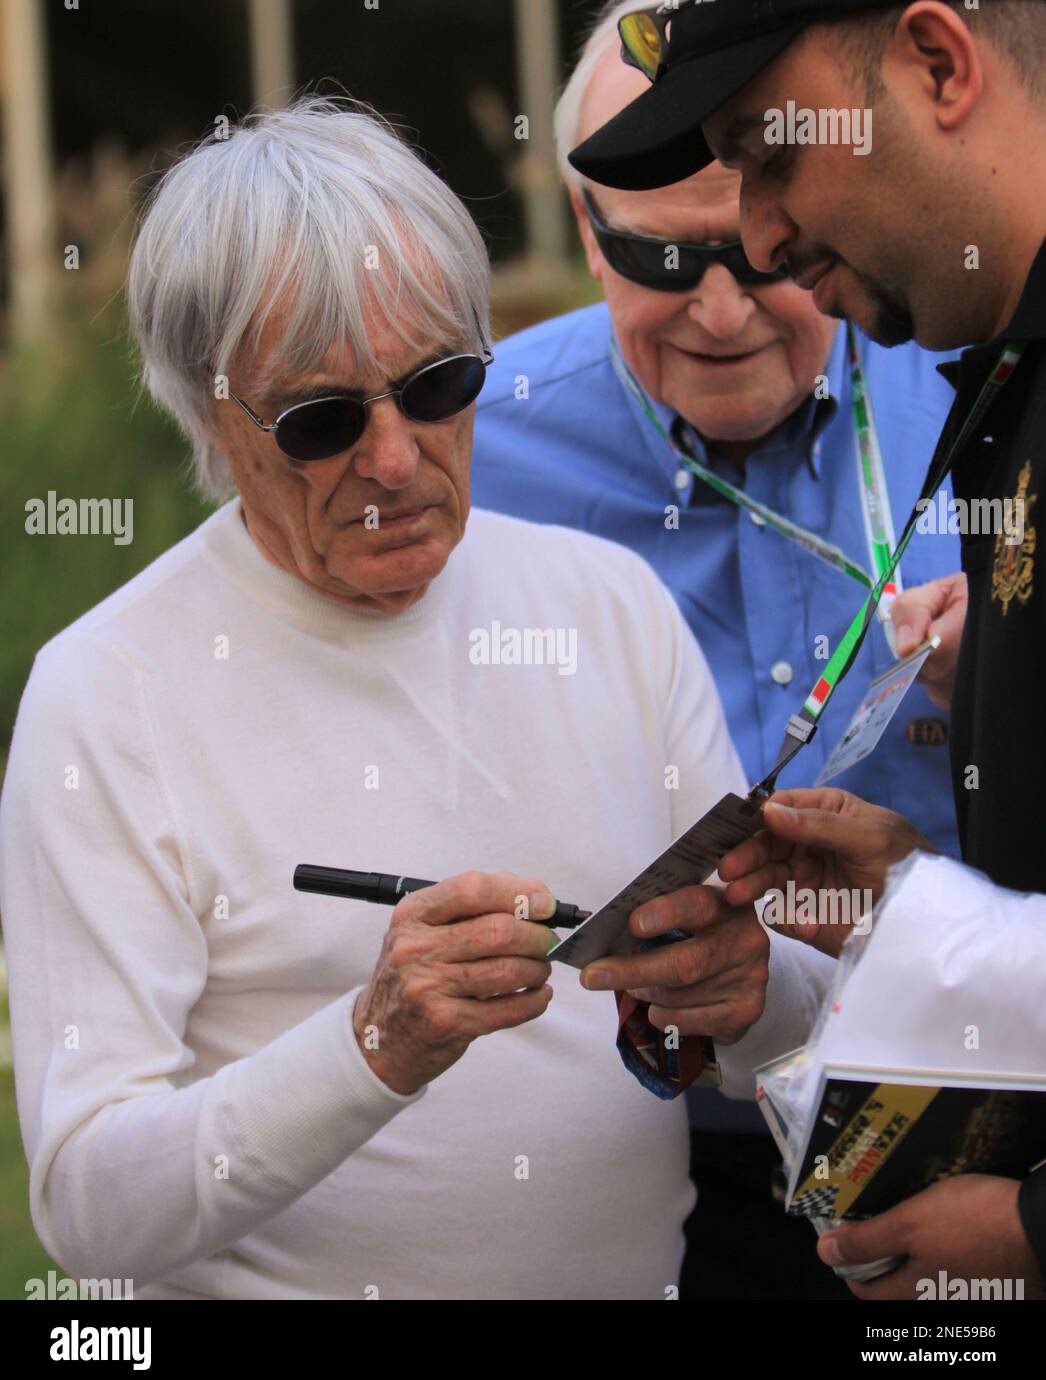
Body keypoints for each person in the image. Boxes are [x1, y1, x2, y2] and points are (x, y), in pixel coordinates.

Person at [0, 95, 826, 1301]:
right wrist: (370, 1044)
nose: (394, 459)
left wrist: (752, 994)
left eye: (438, 385)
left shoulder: (609, 607)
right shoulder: (108, 692)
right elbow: (87, 1203)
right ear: (211, 416)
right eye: (323, 418)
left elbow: (777, 1054)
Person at [471, 0, 961, 1299]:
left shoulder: (986, 397)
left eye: (772, 252)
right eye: (669, 261)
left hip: (962, 1116)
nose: (729, 311)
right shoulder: (466, 453)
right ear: (586, 230)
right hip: (638, 1151)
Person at [568, 0, 1046, 1296]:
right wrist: (901, 897)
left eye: (771, 157)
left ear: (939, 65)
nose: (757, 243)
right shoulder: (997, 375)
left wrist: (1026, 1237)